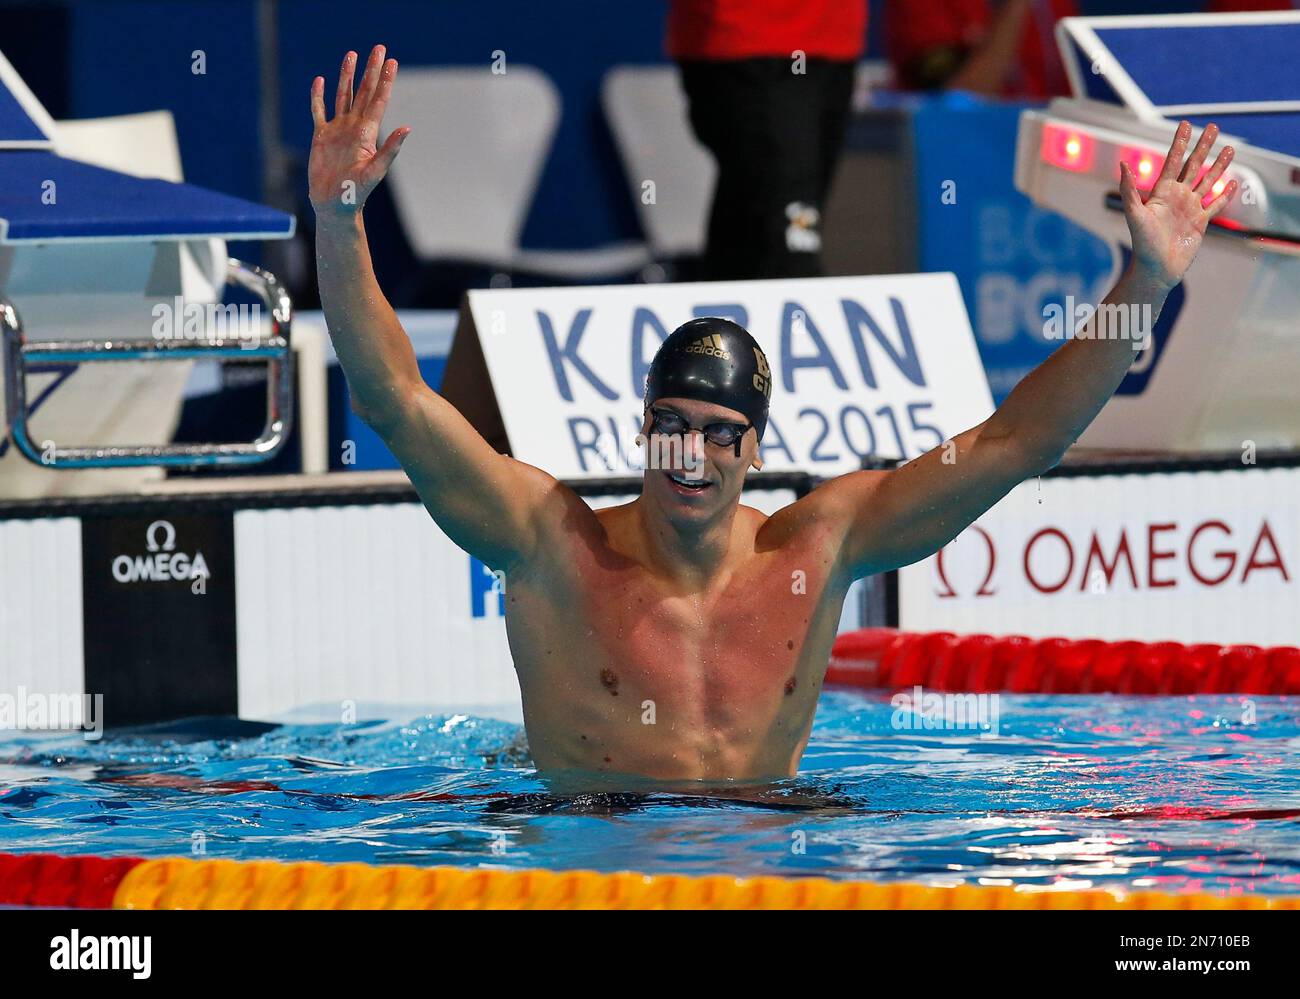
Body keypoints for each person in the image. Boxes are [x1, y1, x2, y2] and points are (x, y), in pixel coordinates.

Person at [310, 46, 1236, 784]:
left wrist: (1143, 282)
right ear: (641, 429)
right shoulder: (551, 546)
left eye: (721, 432)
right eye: (672, 421)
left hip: (774, 855)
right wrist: (341, 214)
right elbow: (395, 396)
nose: (692, 453)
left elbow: (1016, 441)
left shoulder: (816, 549)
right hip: (596, 863)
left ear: (753, 449)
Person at [667, 0, 868, 279]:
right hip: (750, 40)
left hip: (834, 38)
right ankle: (793, 313)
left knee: (757, 223)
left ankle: (725, 317)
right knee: (788, 235)